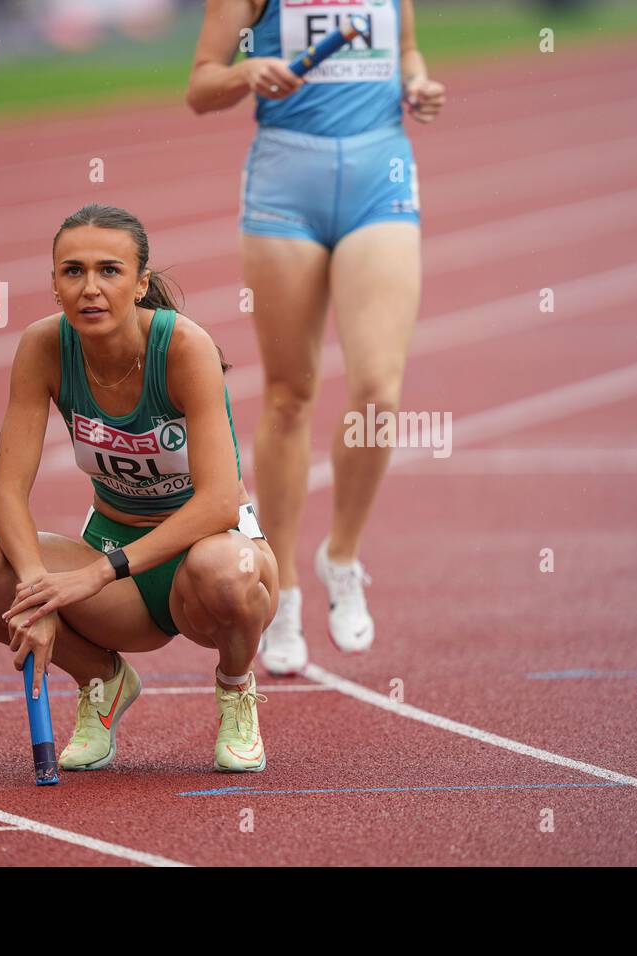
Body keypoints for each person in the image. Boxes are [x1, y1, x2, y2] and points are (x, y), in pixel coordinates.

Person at [0, 204, 279, 773]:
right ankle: (102, 683)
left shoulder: (182, 346)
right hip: (117, 571)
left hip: (210, 554)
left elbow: (221, 499)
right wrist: (34, 593)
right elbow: (7, 492)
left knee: (227, 573)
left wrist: (99, 572)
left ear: (140, 282)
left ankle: (235, 688)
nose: (90, 289)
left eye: (110, 271)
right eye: (72, 271)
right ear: (53, 284)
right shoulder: (43, 347)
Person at [185, 0, 446, 676]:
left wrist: (418, 83)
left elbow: (407, 52)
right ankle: (285, 588)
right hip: (284, 186)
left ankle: (342, 557)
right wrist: (248, 72)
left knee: (379, 393)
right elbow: (200, 85)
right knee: (289, 397)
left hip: (380, 179)